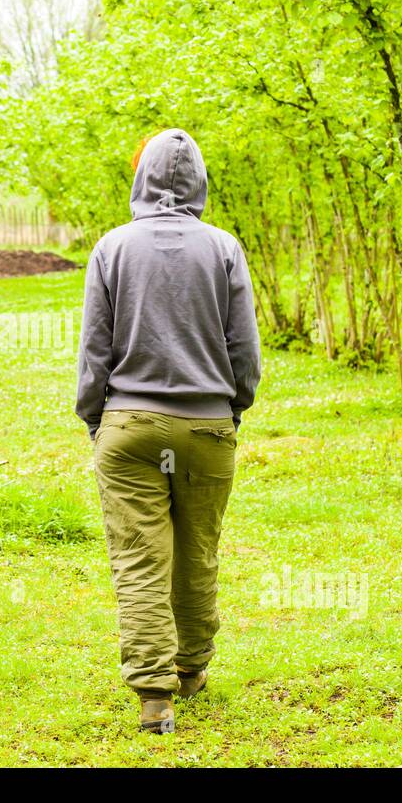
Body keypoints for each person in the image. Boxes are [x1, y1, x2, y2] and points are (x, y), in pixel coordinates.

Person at [75, 128, 261, 733]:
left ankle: (155, 699)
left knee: (139, 560)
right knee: (196, 553)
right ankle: (192, 668)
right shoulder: (225, 248)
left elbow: (94, 353)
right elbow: (245, 353)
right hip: (207, 428)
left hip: (129, 428)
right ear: (199, 181)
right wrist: (231, 409)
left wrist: (96, 418)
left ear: (142, 179)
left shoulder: (112, 248)